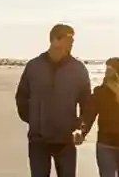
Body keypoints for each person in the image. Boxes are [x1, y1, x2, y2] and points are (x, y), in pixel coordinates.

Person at [15, 24, 92, 177]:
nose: (72, 43)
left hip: (65, 139)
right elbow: (21, 97)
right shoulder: (34, 66)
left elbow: (87, 103)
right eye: (69, 39)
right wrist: (34, 120)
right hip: (38, 139)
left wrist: (82, 128)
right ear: (55, 40)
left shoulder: (78, 69)